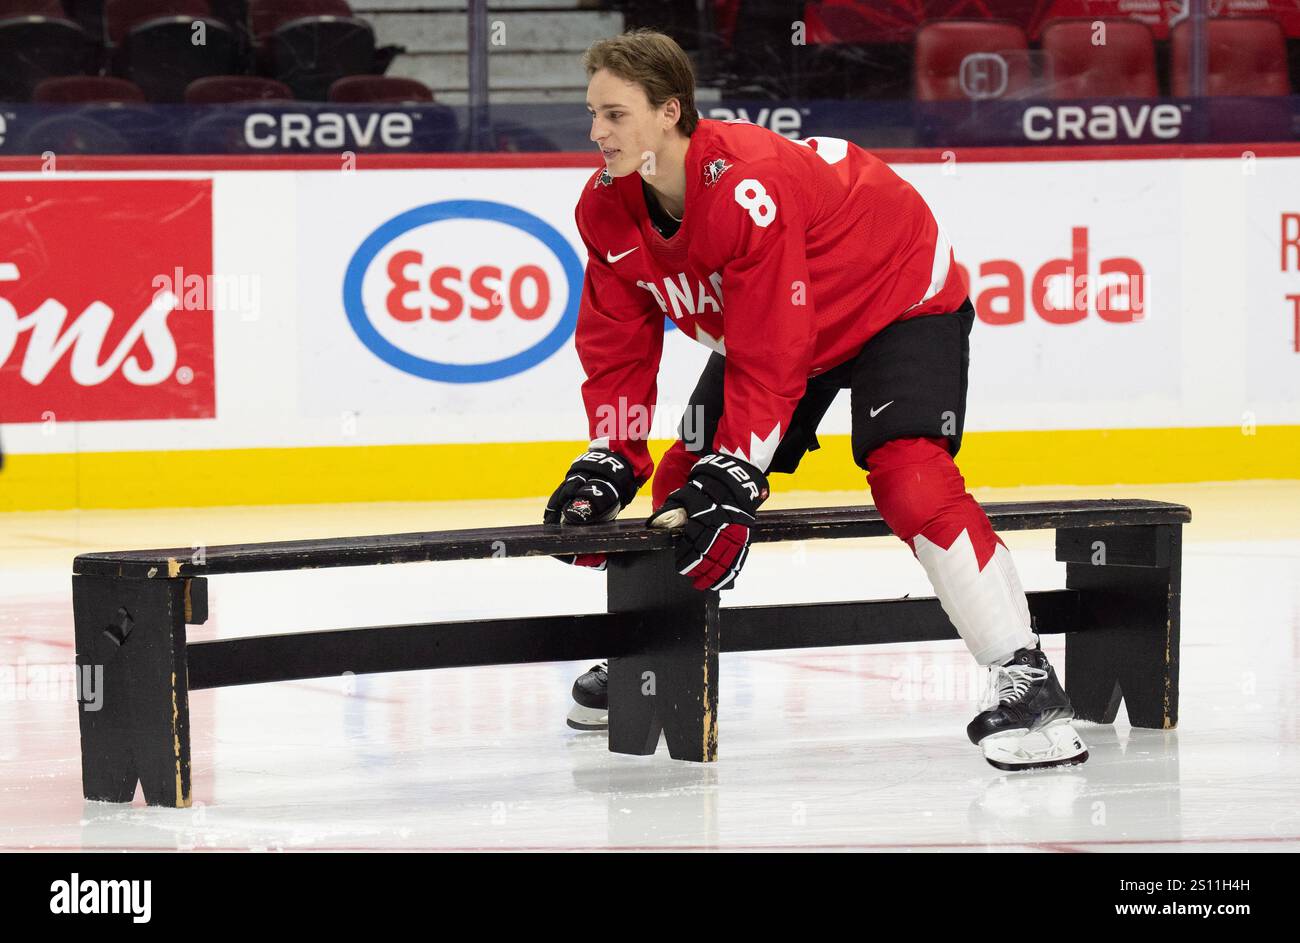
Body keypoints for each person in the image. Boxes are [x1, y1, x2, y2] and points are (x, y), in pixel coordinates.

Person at [543, 30, 1087, 770]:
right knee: (683, 477)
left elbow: (773, 347)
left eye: (614, 114)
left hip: (896, 296)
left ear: (669, 111)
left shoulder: (745, 187)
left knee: (910, 475)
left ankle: (1029, 681)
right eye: (593, 113)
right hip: (780, 325)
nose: (596, 131)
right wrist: (613, 450)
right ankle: (655, 658)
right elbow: (616, 341)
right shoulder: (604, 208)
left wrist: (740, 471)